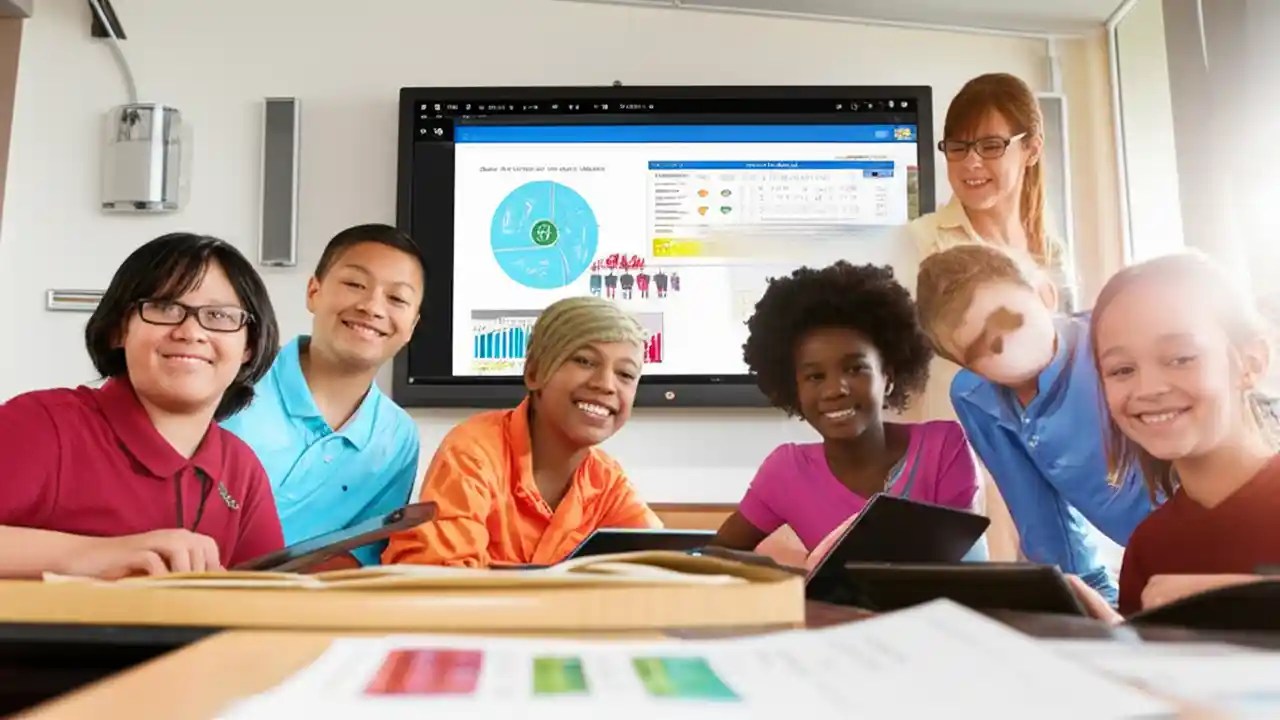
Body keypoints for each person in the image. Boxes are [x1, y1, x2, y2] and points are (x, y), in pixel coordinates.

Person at [0, 233, 284, 579]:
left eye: (219, 315)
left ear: (248, 347)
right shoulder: (43, 424)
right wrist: (96, 554)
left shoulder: (242, 470)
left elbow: (269, 597)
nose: (190, 331)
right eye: (165, 308)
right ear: (120, 330)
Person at [916, 244, 1153, 602]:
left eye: (1011, 321)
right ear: (965, 364)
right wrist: (1085, 600)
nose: (1007, 347)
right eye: (981, 349)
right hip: (1138, 568)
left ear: (1045, 295)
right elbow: (1040, 517)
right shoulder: (974, 396)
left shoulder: (1113, 341)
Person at [710, 261, 984, 565]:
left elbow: (956, 568)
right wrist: (790, 577)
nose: (835, 389)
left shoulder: (943, 448)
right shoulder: (785, 471)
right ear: (794, 388)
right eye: (815, 377)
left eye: (855, 369)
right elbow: (716, 555)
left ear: (888, 376)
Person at [383, 296, 660, 567]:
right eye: (585, 361)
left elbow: (665, 564)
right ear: (534, 372)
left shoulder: (607, 481)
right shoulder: (474, 452)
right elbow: (442, 580)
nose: (606, 385)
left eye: (625, 374)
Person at [1083, 253, 1280, 616]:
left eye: (1181, 358)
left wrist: (1247, 598)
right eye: (1122, 369)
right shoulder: (1148, 547)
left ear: (1251, 363)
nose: (1149, 388)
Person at [222, 224, 424, 567]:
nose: (372, 307)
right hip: (182, 597)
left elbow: (360, 557)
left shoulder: (397, 439)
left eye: (397, 299)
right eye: (354, 284)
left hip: (300, 611)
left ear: (411, 327)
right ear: (314, 292)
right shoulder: (232, 377)